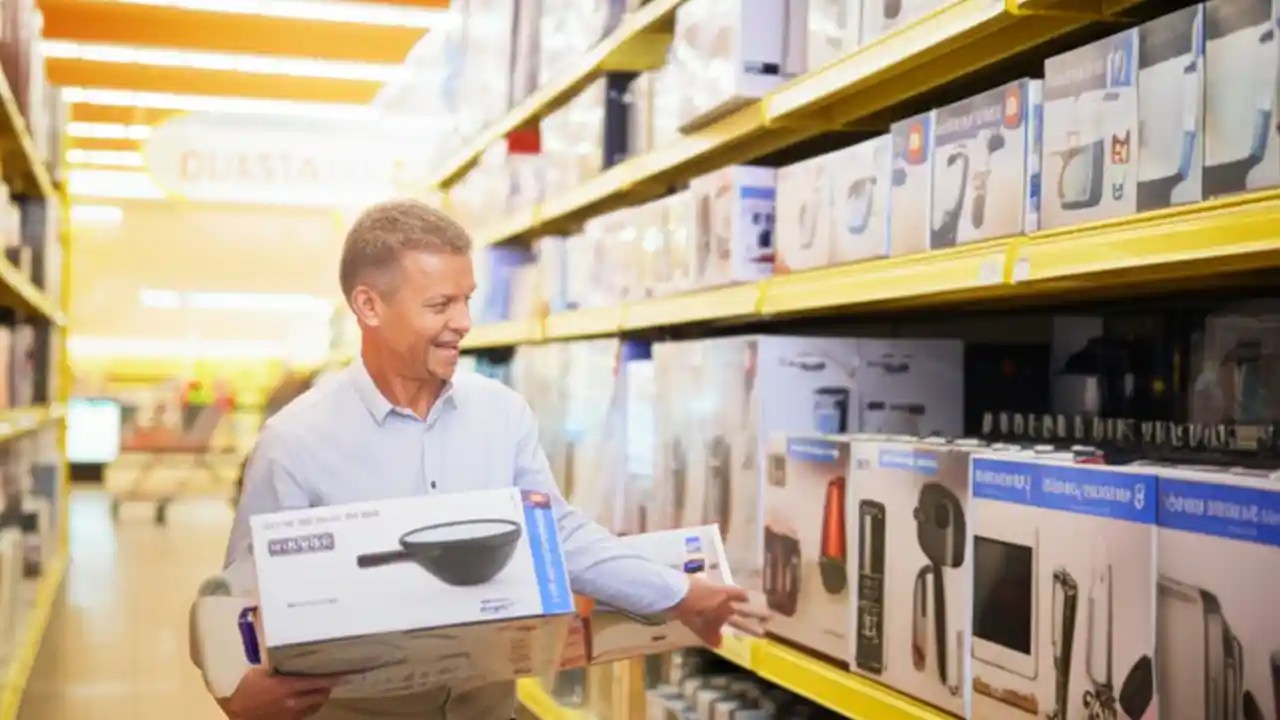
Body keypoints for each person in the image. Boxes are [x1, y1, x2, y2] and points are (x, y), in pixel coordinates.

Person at [217, 199, 763, 720]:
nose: (463, 322)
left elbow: (558, 535)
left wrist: (680, 592)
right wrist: (232, 689)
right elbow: (233, 593)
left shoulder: (501, 414)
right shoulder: (295, 441)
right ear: (369, 306)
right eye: (439, 305)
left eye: (467, 299)